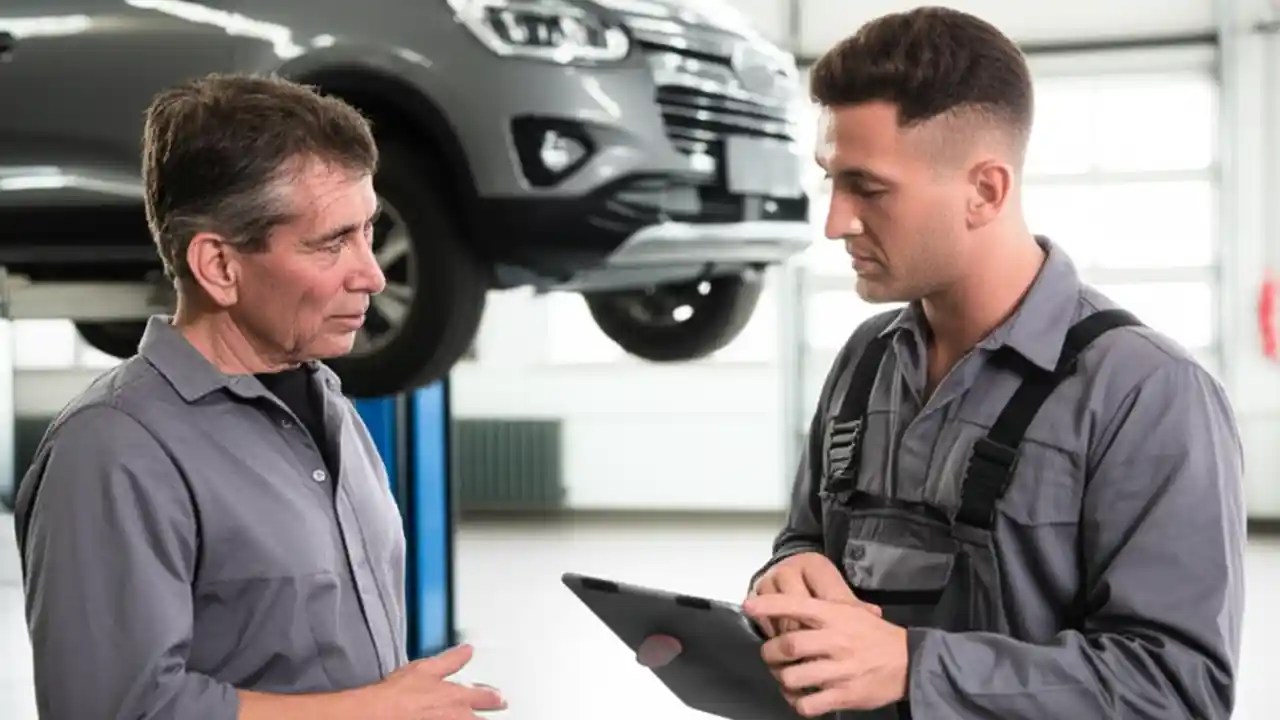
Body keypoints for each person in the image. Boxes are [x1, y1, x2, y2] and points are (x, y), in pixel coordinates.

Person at [639, 7, 1245, 719]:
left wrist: (915, 666)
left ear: (985, 191)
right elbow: (807, 535)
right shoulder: (865, 360)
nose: (835, 221)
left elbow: (1178, 688)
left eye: (868, 187)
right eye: (831, 179)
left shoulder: (1145, 394)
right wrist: (789, 570)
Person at [12, 73, 505, 719]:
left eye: (368, 231)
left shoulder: (329, 409)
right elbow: (113, 708)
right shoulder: (114, 450)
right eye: (333, 243)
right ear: (219, 266)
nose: (374, 273)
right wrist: (367, 710)